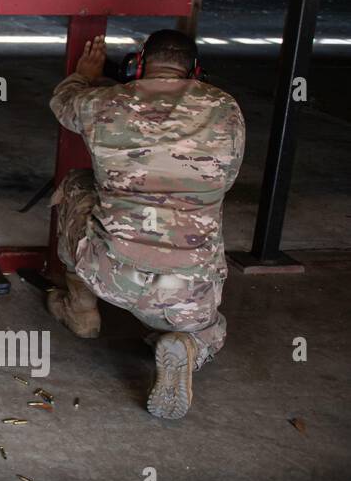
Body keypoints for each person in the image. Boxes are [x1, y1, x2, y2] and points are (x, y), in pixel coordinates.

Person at [48, 29, 245, 419]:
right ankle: (188, 347)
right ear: (197, 72)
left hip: (111, 277)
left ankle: (82, 311)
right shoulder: (226, 109)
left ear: (138, 65)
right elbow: (227, 179)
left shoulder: (105, 103)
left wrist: (84, 75)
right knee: (211, 327)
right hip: (188, 293)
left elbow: (61, 102)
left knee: (75, 184)